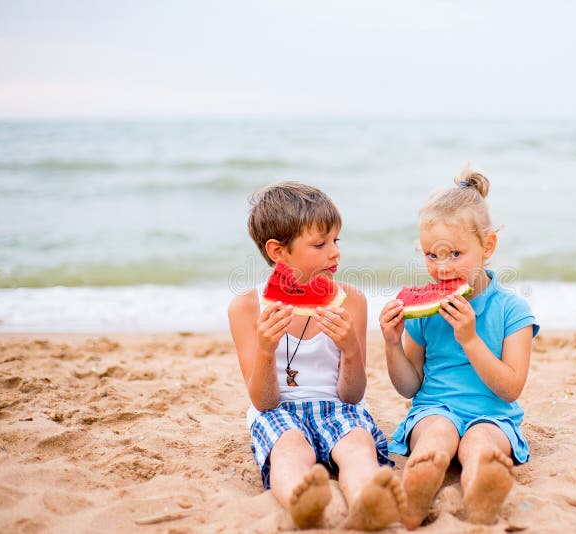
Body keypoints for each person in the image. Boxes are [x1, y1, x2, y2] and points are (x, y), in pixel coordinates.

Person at [229, 181, 406, 530]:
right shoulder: (246, 308)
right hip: (279, 411)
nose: (335, 252)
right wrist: (266, 349)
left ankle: (367, 502)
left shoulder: (351, 301)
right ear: (278, 251)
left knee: (358, 446)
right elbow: (263, 402)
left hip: (339, 406)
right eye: (320, 244)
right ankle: (301, 500)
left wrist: (350, 350)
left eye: (336, 240)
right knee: (290, 450)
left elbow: (352, 394)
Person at [379, 168, 539, 528]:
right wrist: (392, 345)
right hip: (433, 408)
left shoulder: (512, 311)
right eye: (431, 256)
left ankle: (481, 493)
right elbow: (409, 386)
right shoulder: (424, 313)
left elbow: (510, 388)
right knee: (436, 436)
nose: (441, 267)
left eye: (454, 253)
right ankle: (417, 489)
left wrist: (469, 338)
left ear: (488, 246)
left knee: (480, 444)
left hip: (494, 416)